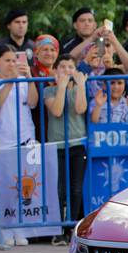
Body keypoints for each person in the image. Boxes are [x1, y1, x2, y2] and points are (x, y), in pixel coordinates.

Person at [0, 45, 39, 247]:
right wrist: (10, 81)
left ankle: (20, 228)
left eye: (13, 60)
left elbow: (33, 103)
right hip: (1, 140)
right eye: (7, 60)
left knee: (23, 186)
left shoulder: (23, 79)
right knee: (4, 186)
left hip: (25, 136)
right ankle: (4, 228)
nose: (11, 64)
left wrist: (30, 79)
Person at [42, 54, 88, 240]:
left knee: (76, 187)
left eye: (70, 67)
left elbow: (80, 109)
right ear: (56, 70)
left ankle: (71, 228)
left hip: (77, 143)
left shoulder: (78, 89)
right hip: (57, 144)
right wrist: (61, 87)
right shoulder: (49, 91)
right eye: (63, 67)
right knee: (59, 188)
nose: (67, 71)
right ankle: (59, 229)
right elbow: (57, 110)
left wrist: (81, 86)